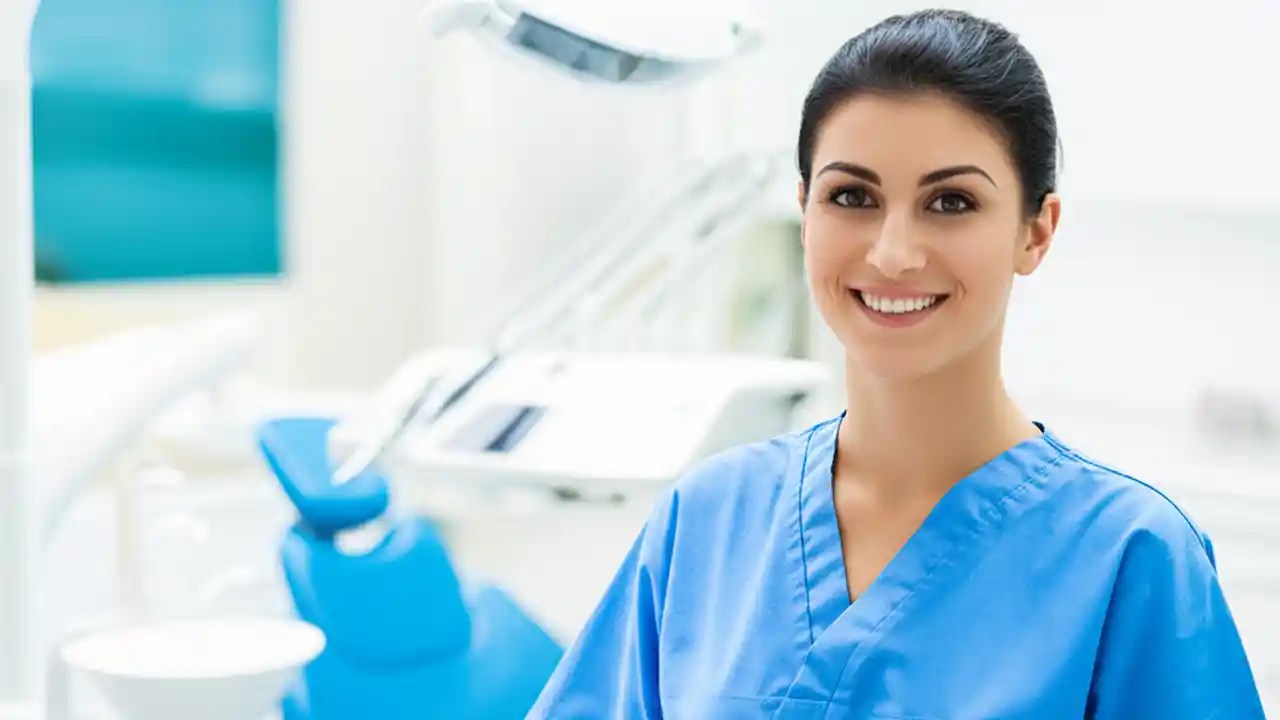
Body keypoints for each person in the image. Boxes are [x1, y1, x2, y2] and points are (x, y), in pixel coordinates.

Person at [527, 9, 1266, 719]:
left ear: (1036, 231)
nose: (893, 253)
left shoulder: (1130, 560)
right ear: (805, 210)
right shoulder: (709, 522)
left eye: (950, 202)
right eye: (852, 196)